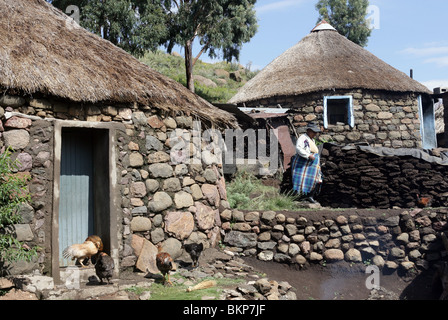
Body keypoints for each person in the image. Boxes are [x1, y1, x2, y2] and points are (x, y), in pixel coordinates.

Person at [291, 123, 323, 204]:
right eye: (313, 132)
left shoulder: (312, 140)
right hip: (303, 161)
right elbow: (298, 148)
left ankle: (310, 196)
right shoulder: (303, 138)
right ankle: (300, 197)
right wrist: (308, 155)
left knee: (317, 178)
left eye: (316, 132)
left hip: (312, 163)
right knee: (300, 179)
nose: (315, 134)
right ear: (308, 131)